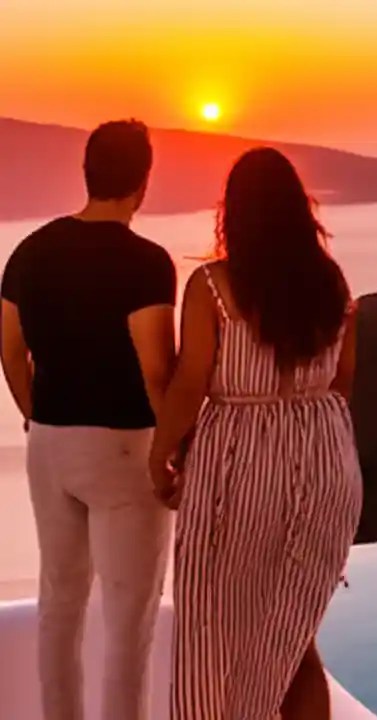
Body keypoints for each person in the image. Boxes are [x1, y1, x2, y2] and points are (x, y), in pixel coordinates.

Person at [148, 146, 361, 719]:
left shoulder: (213, 287)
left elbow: (192, 380)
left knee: (213, 631)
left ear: (233, 213)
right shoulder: (331, 283)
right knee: (295, 639)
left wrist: (162, 454)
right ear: (299, 210)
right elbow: (342, 383)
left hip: (237, 470)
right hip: (325, 466)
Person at [0, 119, 176, 720]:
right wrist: (173, 446)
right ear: (142, 183)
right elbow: (156, 368)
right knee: (128, 619)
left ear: (88, 172)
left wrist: (34, 414)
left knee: (60, 604)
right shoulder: (146, 263)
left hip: (50, 444)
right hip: (125, 449)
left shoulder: (31, 250)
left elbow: (8, 346)